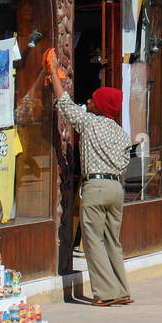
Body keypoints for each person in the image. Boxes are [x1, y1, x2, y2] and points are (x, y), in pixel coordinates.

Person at [47, 58, 132, 305]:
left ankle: (105, 294)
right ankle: (121, 289)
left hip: (95, 186)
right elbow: (125, 163)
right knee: (111, 240)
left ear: (100, 106)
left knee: (93, 239)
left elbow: (65, 105)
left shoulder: (89, 123)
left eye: (92, 100)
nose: (88, 101)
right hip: (116, 187)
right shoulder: (121, 133)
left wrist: (53, 72)